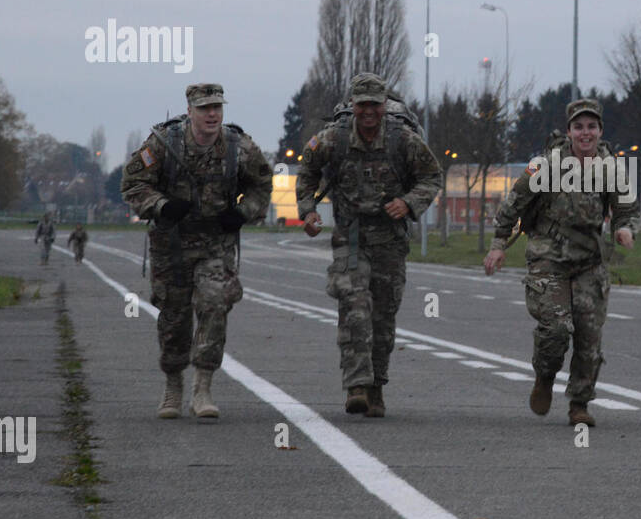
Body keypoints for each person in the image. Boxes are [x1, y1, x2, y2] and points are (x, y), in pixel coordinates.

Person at [120, 83, 272, 421]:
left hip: (216, 243)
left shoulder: (239, 147)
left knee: (215, 303)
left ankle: (203, 386)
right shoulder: (163, 145)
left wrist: (243, 212)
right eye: (204, 108)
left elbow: (262, 184)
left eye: (217, 107)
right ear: (190, 111)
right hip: (171, 244)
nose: (212, 114)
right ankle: (173, 384)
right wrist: (160, 205)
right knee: (174, 318)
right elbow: (132, 184)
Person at [482, 99, 637, 426]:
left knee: (588, 336)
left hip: (589, 262)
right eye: (579, 127)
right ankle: (545, 376)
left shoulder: (610, 167)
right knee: (556, 330)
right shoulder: (546, 165)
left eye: (591, 127)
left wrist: (624, 228)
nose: (586, 133)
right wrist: (498, 245)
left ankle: (579, 403)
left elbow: (625, 208)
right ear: (569, 132)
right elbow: (513, 205)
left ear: (600, 131)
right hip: (548, 257)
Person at [296, 73, 442, 417]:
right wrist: (308, 211)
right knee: (355, 305)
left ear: (383, 106)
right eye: (362, 104)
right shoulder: (333, 139)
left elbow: (431, 176)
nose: (368, 112)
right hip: (352, 237)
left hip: (391, 240)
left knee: (383, 317)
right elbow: (306, 172)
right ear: (353, 104)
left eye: (374, 104)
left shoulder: (402, 141)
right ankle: (357, 385)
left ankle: (377, 386)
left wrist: (408, 203)